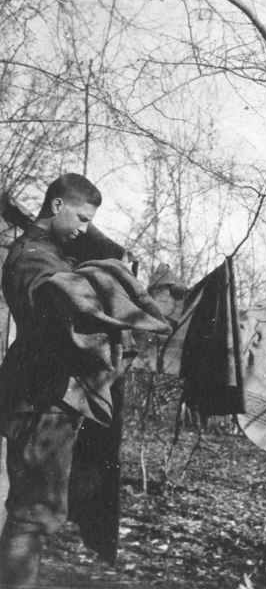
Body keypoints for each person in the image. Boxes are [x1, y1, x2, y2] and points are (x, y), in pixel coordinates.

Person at [0, 174, 168, 588]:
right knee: (33, 516)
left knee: (37, 514)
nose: (83, 228)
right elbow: (58, 294)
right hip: (41, 400)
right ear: (56, 206)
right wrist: (109, 278)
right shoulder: (32, 256)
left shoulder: (52, 250)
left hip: (50, 400)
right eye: (80, 217)